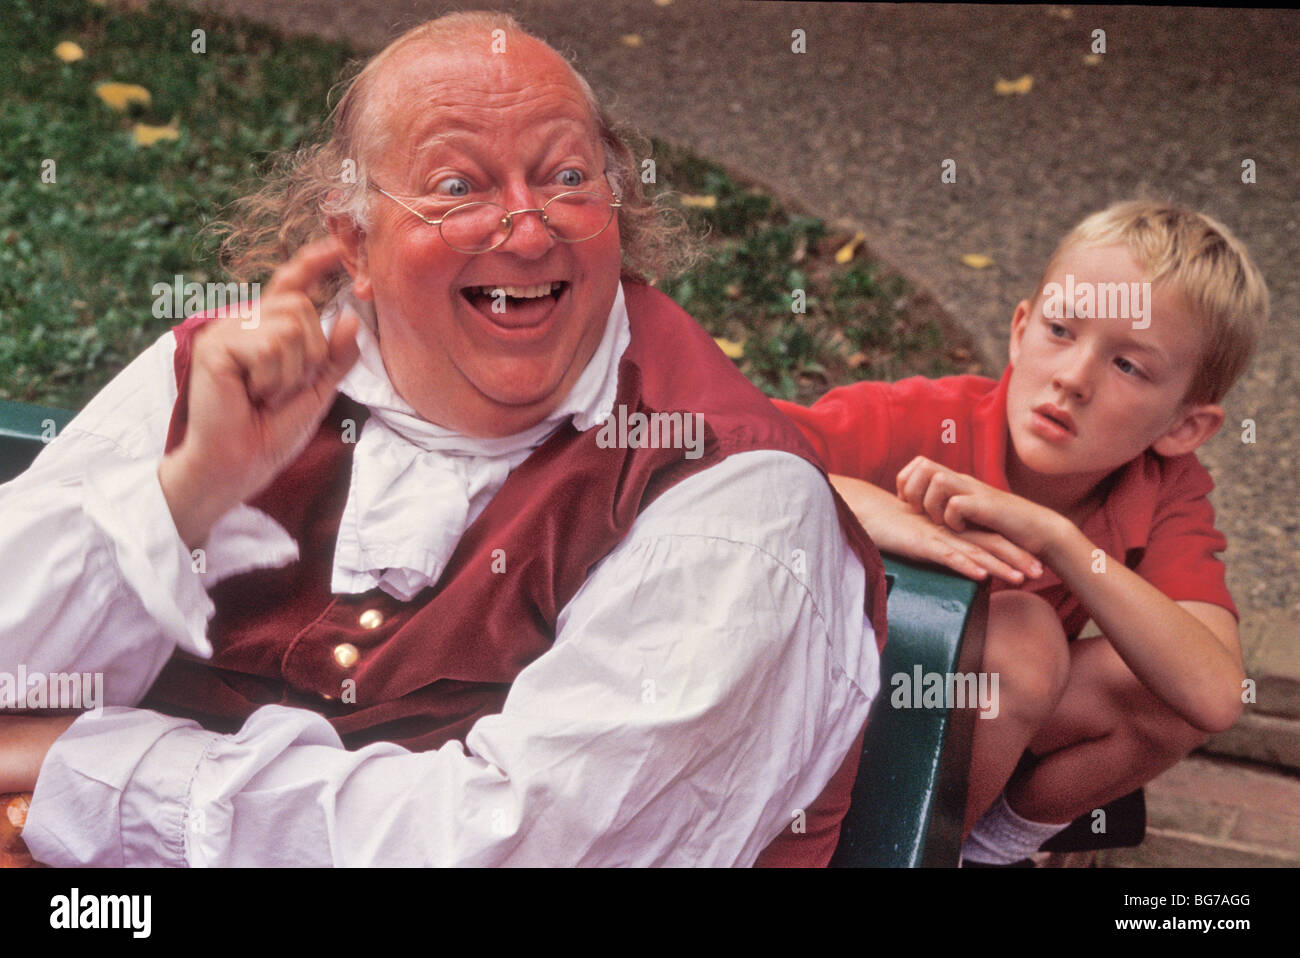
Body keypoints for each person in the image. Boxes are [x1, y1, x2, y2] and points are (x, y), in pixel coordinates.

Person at [0, 12, 886, 867]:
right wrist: (190, 490)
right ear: (354, 240)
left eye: (568, 179)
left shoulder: (731, 505)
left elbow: (511, 847)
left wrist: (89, 776)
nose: (527, 229)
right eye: (458, 188)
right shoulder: (229, 374)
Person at [775, 200, 1266, 866]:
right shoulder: (924, 419)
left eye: (1129, 366)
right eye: (1061, 330)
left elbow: (1213, 694)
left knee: (1160, 683)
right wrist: (864, 503)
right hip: (834, 723)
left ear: (1185, 428)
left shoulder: (1165, 486)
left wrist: (1060, 542)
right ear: (1020, 329)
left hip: (980, 734)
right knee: (1023, 639)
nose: (1073, 378)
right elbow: (726, 446)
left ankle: (982, 850)